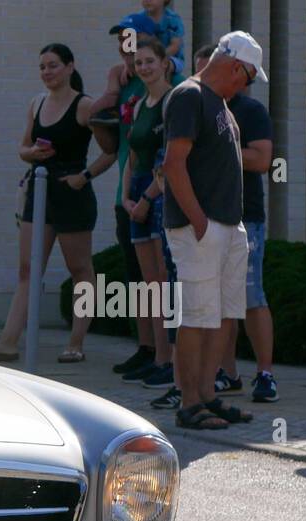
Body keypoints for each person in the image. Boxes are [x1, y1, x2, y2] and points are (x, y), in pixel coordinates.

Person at [0, 44, 114, 364]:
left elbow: (110, 150)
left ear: (69, 67)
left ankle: (76, 343)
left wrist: (84, 176)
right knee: (28, 269)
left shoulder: (85, 106)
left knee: (80, 269)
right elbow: (23, 146)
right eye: (42, 67)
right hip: (39, 191)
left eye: (53, 65)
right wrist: (31, 155)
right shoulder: (36, 103)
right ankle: (8, 341)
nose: (47, 72)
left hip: (72, 193)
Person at [161, 31, 266, 430]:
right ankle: (189, 403)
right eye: (250, 76)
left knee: (224, 313)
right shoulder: (189, 95)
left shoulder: (221, 104)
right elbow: (174, 163)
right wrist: (199, 222)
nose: (247, 84)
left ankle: (207, 394)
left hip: (228, 225)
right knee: (197, 314)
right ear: (236, 66)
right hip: (200, 228)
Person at [193, 44, 278, 403]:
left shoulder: (251, 110)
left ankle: (265, 374)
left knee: (250, 295)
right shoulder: (197, 106)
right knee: (217, 300)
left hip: (247, 216)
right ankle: (226, 373)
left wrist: (217, 148)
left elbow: (262, 160)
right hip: (209, 216)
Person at [116, 39, 178, 399]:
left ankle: (170, 359)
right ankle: (156, 356)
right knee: (148, 286)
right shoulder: (139, 104)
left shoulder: (174, 101)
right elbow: (134, 156)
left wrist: (146, 199)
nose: (143, 67)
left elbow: (168, 160)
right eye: (138, 62)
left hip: (160, 194)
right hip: (137, 194)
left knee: (164, 281)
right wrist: (126, 196)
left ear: (165, 63)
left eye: (150, 61)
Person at [140, 0, 186, 75]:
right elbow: (133, 44)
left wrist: (157, 58)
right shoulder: (138, 19)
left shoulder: (172, 18)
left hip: (171, 58)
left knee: (164, 65)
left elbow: (175, 46)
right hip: (144, 59)